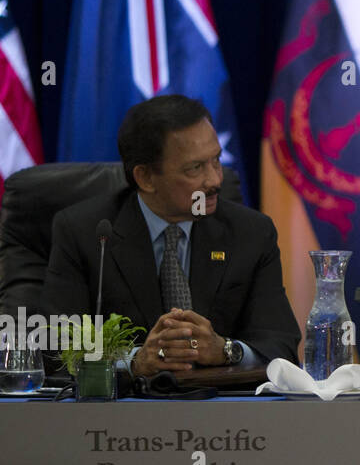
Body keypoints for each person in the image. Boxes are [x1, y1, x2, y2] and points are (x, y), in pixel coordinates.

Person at [44, 95, 299, 376]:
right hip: (124, 414)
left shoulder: (251, 233)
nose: (215, 180)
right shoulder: (85, 233)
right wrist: (135, 361)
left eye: (216, 161)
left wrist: (226, 350)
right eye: (195, 168)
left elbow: (281, 346)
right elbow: (56, 349)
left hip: (225, 410)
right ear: (145, 178)